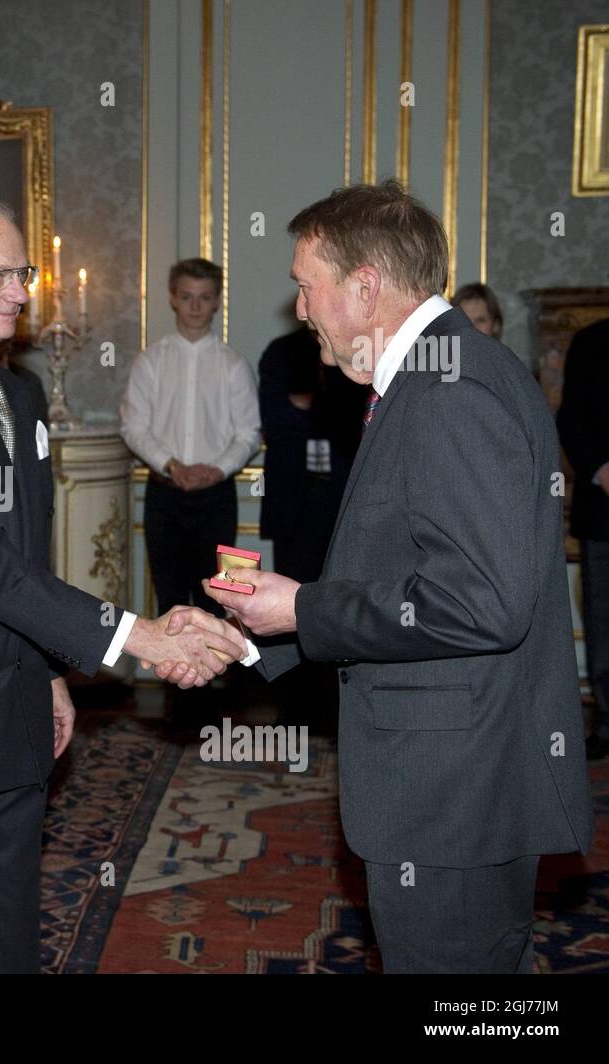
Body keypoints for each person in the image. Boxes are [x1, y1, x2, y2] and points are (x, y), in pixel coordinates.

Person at [0, 192, 247, 973]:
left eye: (21, 272)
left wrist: (49, 671)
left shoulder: (18, 392)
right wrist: (141, 637)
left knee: (4, 940)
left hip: (14, 712)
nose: (21, 294)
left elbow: (23, 556)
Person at [204, 180, 593, 973]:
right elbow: (399, 572)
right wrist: (255, 641)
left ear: (365, 286)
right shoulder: (437, 375)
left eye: (304, 287)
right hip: (457, 778)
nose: (301, 310)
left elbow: (482, 604)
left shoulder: (448, 390)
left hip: (452, 792)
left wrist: (306, 608)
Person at [121, 258, 260, 616]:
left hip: (217, 499)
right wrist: (172, 466)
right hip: (164, 495)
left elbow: (248, 433)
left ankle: (217, 673)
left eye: (204, 297)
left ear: (216, 301)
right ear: (173, 299)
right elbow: (134, 427)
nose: (195, 306)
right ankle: (176, 674)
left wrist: (215, 470)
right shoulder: (150, 362)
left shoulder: (233, 364)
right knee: (170, 600)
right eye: (187, 297)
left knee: (220, 598)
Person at [258, 319, 364, 584]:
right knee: (288, 592)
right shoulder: (280, 352)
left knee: (341, 594)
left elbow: (354, 419)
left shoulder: (353, 348)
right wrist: (327, 409)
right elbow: (274, 420)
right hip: (292, 498)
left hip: (344, 496)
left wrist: (308, 405)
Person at [556, 313, 609, 761]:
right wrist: (601, 470)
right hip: (604, 510)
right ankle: (608, 723)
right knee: (603, 619)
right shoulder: (591, 343)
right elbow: (571, 417)